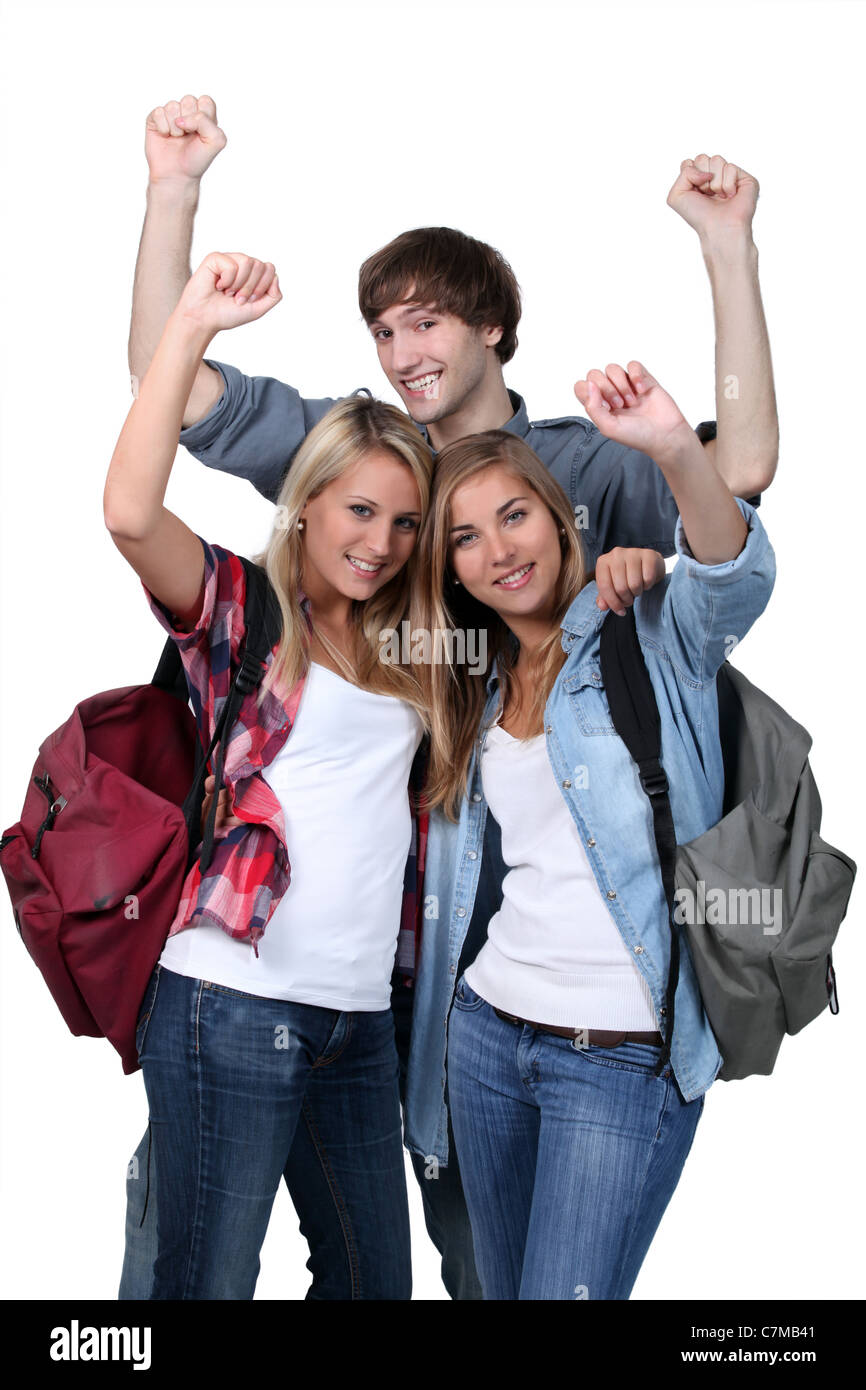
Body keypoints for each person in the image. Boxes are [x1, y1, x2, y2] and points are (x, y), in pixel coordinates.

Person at [120, 92, 779, 1301]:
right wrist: (174, 196)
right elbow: (169, 373)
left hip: (489, 958)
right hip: (317, 941)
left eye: (425, 320)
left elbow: (734, 474)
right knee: (194, 1256)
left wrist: (725, 250)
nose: (402, 350)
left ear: (489, 327)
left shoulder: (574, 464)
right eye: (381, 330)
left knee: (481, 1268)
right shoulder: (354, 451)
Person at [105, 247, 436, 1298]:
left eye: (402, 521)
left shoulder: (416, 645)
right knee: (203, 1284)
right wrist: (190, 325)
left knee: (373, 1282)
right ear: (305, 505)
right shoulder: (242, 612)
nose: (378, 542)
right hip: (230, 1009)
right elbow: (127, 514)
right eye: (356, 511)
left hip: (360, 1021)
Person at [407, 359, 776, 1299]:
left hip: (618, 1061)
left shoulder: (645, 625)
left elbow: (733, 576)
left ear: (562, 515)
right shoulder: (476, 685)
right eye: (466, 538)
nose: (498, 550)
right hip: (487, 1035)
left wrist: (667, 448)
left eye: (515, 516)